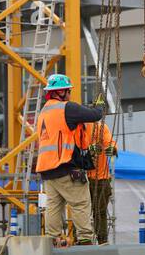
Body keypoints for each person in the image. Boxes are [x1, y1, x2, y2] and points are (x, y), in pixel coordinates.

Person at [34, 73, 104, 245]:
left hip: (48, 171)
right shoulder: (67, 108)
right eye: (68, 91)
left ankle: (53, 242)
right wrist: (100, 106)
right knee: (80, 204)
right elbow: (95, 115)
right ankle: (86, 239)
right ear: (61, 92)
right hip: (66, 167)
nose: (70, 95)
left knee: (53, 206)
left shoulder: (44, 112)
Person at [78, 118, 116, 244]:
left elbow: (109, 142)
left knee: (100, 212)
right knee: (81, 211)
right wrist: (89, 149)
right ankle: (83, 239)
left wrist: (112, 148)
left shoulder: (101, 127)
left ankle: (102, 240)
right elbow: (75, 148)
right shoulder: (79, 127)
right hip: (83, 177)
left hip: (101, 178)